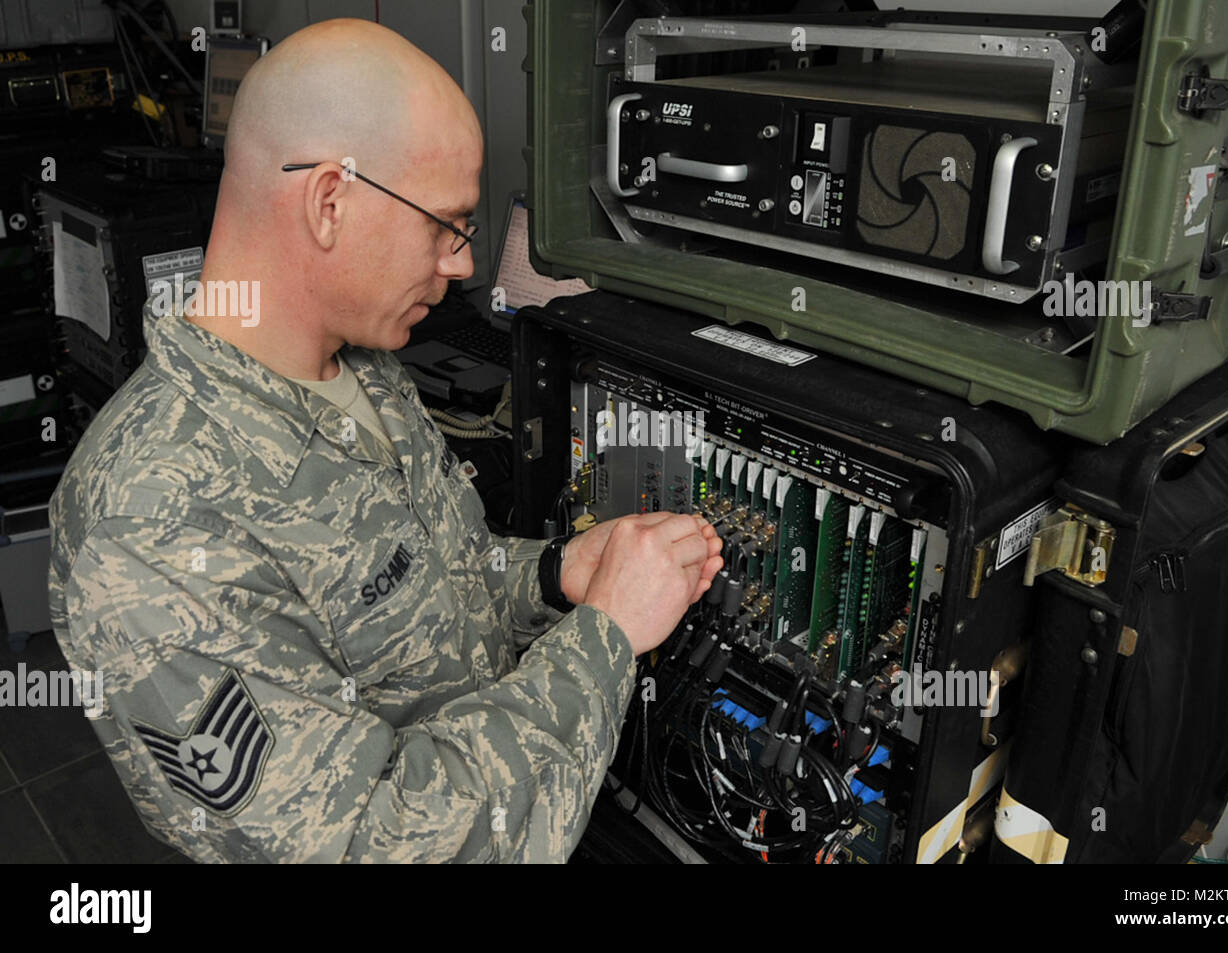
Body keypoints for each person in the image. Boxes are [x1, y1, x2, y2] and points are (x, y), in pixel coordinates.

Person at [46, 18, 722, 863]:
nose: (458, 265)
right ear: (329, 201)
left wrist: (555, 577)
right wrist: (608, 634)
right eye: (447, 224)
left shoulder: (361, 369)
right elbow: (378, 840)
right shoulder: (147, 525)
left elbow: (433, 593)